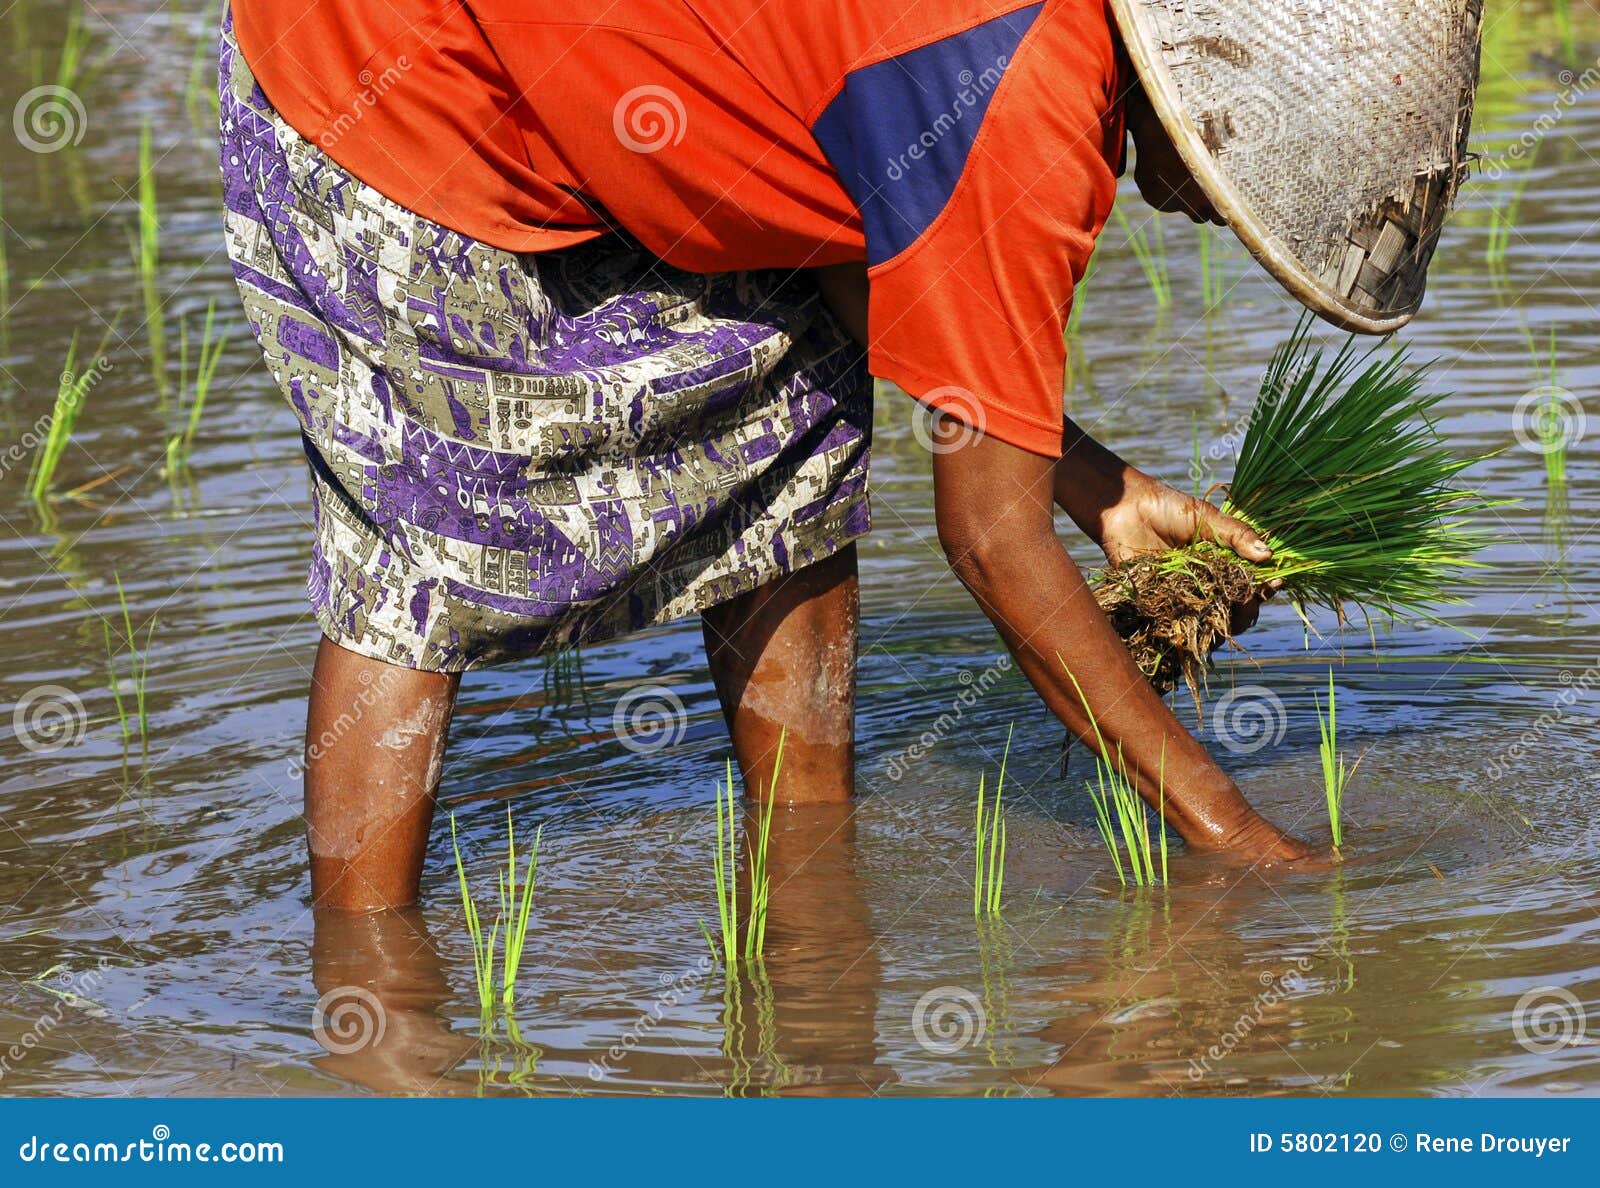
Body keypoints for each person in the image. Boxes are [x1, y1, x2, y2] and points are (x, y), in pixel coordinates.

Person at [221, 0, 1315, 912]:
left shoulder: (1009, 66)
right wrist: (1239, 843)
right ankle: (366, 990)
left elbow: (856, 239)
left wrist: (1100, 488)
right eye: (1260, 172)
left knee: (795, 450)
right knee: (431, 554)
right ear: (1198, 86)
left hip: (625, 97)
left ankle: (807, 907)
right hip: (391, 70)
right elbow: (990, 541)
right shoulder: (1023, 106)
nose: (1233, 222)